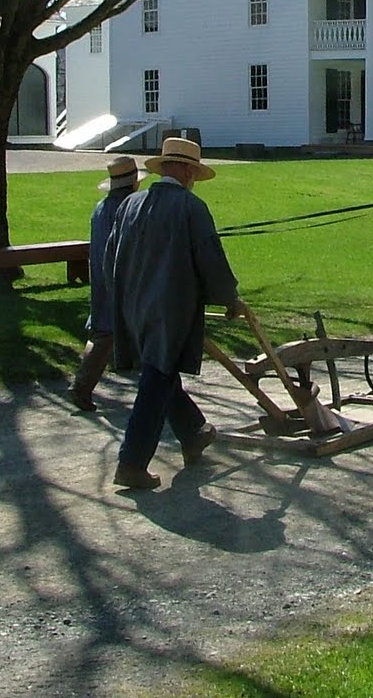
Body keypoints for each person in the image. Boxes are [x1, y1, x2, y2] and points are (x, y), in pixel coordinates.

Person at [107, 137, 246, 490]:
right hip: (169, 306)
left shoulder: (129, 205)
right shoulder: (190, 207)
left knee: (160, 372)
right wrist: (229, 298)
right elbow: (209, 257)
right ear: (186, 170)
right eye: (194, 173)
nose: (194, 179)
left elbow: (111, 256)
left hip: (132, 303)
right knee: (156, 377)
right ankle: (131, 462)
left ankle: (193, 431)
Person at [69, 155, 137, 412]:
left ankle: (84, 385)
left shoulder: (101, 208)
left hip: (99, 272)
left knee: (102, 329)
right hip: (117, 277)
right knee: (106, 333)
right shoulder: (126, 209)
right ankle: (81, 387)